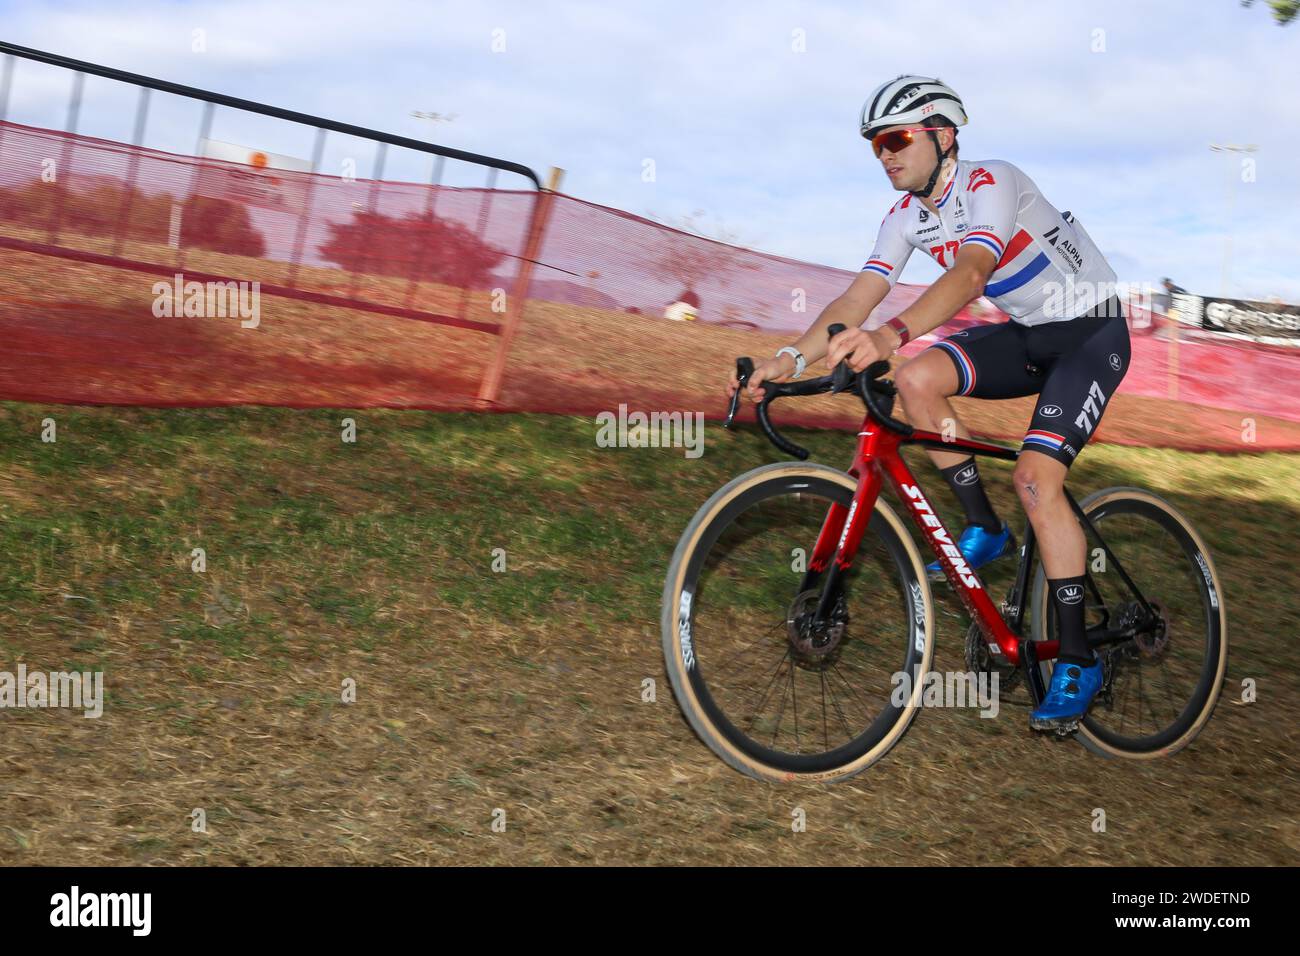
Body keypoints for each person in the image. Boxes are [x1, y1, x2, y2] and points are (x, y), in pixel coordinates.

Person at [726, 75, 1129, 731]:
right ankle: (985, 527)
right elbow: (855, 300)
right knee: (914, 381)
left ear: (941, 134)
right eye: (874, 145)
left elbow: (970, 274)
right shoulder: (905, 217)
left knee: (1035, 479)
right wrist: (787, 360)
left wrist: (890, 335)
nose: (884, 153)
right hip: (1029, 334)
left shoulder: (991, 183)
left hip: (1090, 332)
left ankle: (1078, 658)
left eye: (895, 138)